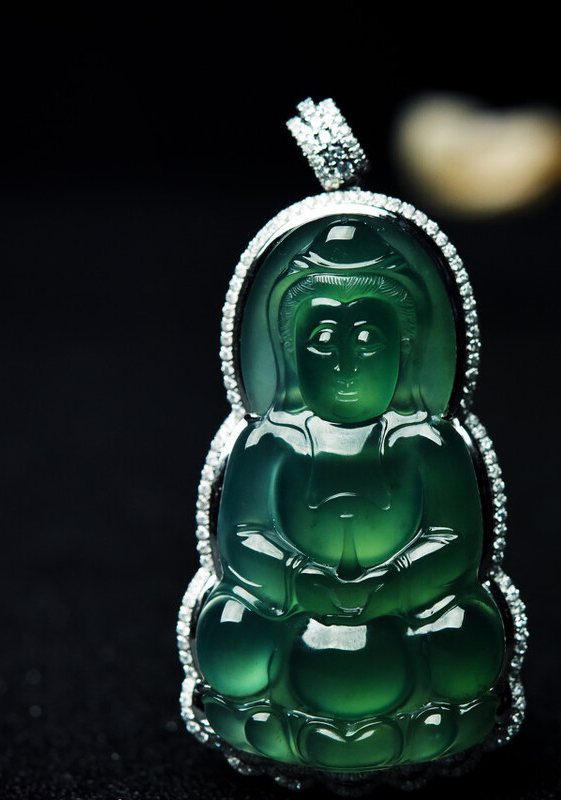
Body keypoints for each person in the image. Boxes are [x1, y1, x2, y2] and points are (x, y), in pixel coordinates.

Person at [194, 218, 504, 771]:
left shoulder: (427, 443)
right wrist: (299, 578)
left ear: (405, 351)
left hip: (402, 614)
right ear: (289, 354)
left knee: (464, 630)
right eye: (321, 342)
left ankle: (307, 726)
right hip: (296, 613)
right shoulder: (270, 441)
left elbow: (455, 543)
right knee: (231, 625)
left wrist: (395, 581)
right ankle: (386, 726)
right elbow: (243, 540)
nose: (345, 364)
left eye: (367, 340)